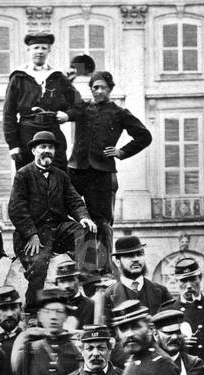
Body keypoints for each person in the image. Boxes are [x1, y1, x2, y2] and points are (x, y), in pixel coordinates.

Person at [67, 70, 152, 274]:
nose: (98, 91)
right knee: (71, 216)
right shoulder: (82, 108)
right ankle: (78, 265)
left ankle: (103, 269)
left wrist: (121, 152)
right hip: (76, 170)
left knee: (102, 221)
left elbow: (144, 136)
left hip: (101, 174)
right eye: (94, 87)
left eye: (102, 87)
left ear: (110, 89)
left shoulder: (119, 113)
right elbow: (66, 105)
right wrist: (68, 83)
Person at [8, 131, 95, 298]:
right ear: (34, 151)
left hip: (59, 229)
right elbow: (16, 208)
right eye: (42, 147)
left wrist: (84, 218)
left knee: (85, 231)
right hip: (34, 233)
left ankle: (90, 285)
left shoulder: (60, 175)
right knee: (39, 265)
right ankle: (33, 308)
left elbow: (74, 200)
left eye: (50, 147)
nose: (46, 151)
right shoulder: (23, 175)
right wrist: (31, 234)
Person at [2, 32, 80, 170]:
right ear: (29, 50)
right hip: (26, 134)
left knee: (59, 175)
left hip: (53, 132)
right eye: (36, 48)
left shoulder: (58, 77)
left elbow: (79, 105)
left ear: (49, 50)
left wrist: (68, 116)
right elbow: (9, 113)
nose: (39, 52)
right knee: (27, 177)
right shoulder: (19, 77)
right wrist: (13, 145)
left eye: (44, 48)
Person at [11, 287, 81, 375]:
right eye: (47, 311)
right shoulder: (29, 348)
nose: (53, 317)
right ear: (40, 316)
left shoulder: (77, 350)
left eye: (58, 311)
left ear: (66, 316)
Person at [164, 256, 204, 363]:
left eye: (193, 279)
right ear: (176, 282)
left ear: (200, 278)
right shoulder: (167, 311)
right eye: (183, 280)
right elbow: (160, 347)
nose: (188, 286)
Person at [104, 236, 172, 317]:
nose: (136, 259)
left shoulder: (161, 291)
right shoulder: (108, 295)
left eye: (139, 254)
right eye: (129, 256)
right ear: (118, 262)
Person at [0, 286, 26, 362]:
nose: (9, 314)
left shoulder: (28, 340)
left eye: (13, 307)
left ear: (21, 309)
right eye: (3, 308)